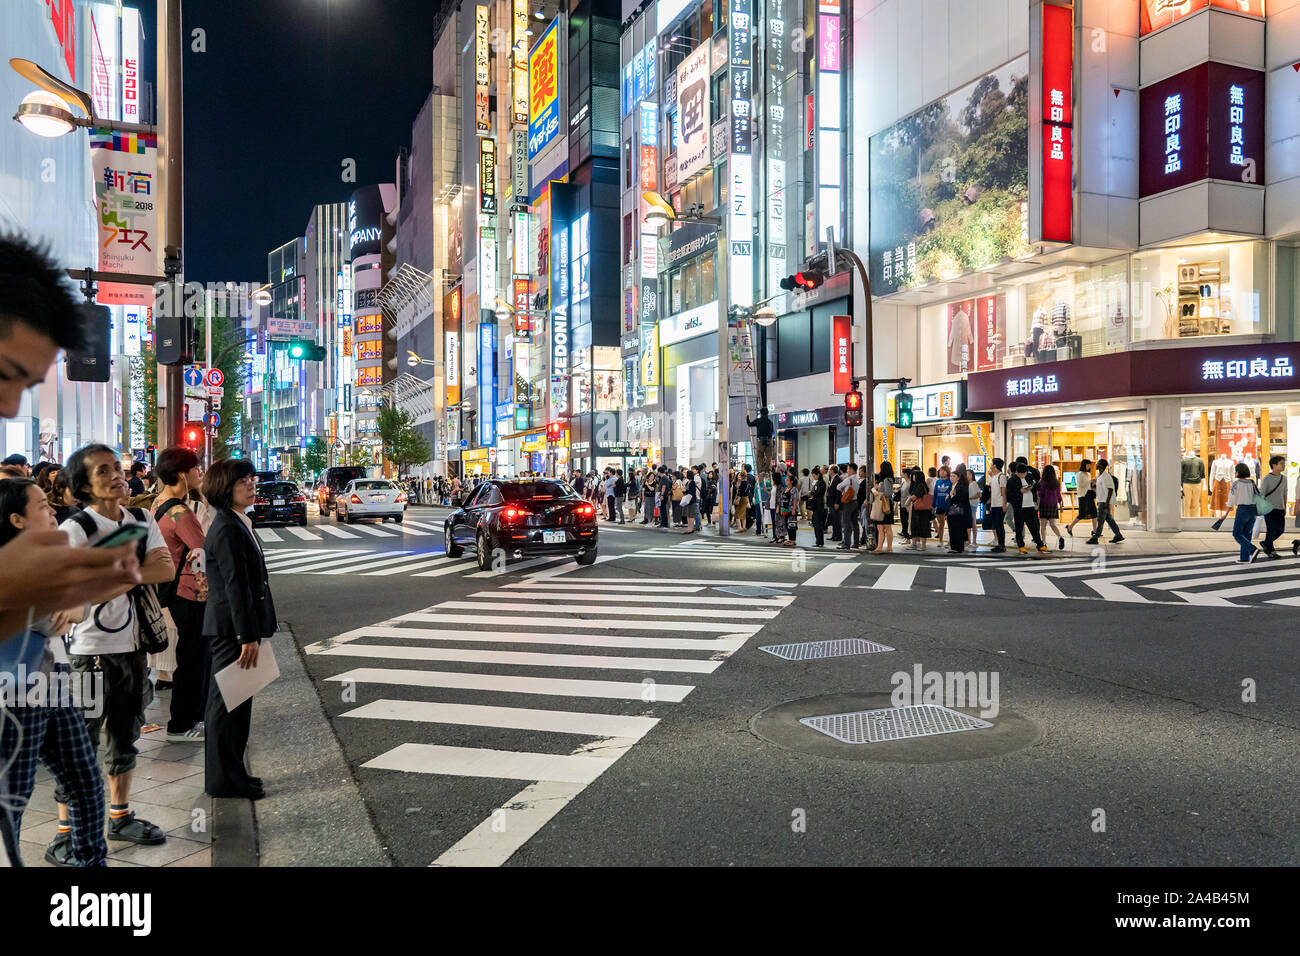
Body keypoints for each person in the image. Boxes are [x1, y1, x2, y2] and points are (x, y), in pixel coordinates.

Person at [58, 443, 176, 847]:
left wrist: (112, 579)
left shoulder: (141, 517)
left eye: (116, 468)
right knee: (80, 741)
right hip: (88, 654)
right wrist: (129, 576)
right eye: (103, 471)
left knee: (125, 734)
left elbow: (166, 567)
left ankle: (119, 816)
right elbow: (75, 593)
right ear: (84, 485)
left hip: (132, 646)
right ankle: (66, 833)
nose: (116, 475)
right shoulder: (76, 529)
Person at [0, 478, 108, 867]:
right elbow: (51, 619)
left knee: (85, 783)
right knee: (13, 798)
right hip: (16, 696)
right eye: (42, 506)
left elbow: (75, 605)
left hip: (53, 686)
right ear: (16, 519)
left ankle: (91, 864)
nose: (52, 512)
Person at [201, 458, 278, 799]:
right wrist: (246, 636)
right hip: (230, 629)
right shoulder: (228, 527)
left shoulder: (236, 521)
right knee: (226, 706)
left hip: (233, 627)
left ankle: (235, 774)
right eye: (242, 481)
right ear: (224, 488)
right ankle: (222, 780)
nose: (251, 484)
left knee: (238, 702)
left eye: (251, 478)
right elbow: (236, 586)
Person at [152, 446, 211, 742]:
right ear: (181, 474)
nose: (199, 472)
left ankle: (191, 716)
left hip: (173, 591)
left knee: (188, 657)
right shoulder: (181, 512)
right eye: (195, 469)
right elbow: (202, 552)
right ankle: (181, 723)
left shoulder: (158, 504)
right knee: (192, 660)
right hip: (191, 593)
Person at [1008, 462, 1047, 554]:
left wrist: (1031, 487)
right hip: (1019, 507)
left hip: (1030, 506)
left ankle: (1040, 545)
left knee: (1034, 527)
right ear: (1017, 472)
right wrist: (1020, 491)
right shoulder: (1011, 480)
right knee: (1019, 527)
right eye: (1021, 474)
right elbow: (1010, 495)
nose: (1023, 475)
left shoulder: (1029, 477)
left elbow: (1037, 486)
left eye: (1025, 473)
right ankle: (1021, 545)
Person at [1086, 459, 1125, 545]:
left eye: (1098, 463)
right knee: (1110, 520)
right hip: (1102, 501)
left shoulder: (1106, 477)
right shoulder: (1100, 476)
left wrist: (1107, 502)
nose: (1096, 464)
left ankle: (1095, 538)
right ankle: (1118, 535)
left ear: (1102, 466)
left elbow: (1110, 489)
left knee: (1100, 520)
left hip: (1104, 502)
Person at [1226, 462, 1259, 564]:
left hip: (1243, 510)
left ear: (1237, 472)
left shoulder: (1236, 483)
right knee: (1247, 534)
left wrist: (1225, 513)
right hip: (1253, 510)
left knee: (1237, 533)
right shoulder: (1252, 482)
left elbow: (1231, 500)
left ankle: (1253, 549)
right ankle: (1245, 558)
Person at [1258, 455, 1286, 558]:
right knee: (1271, 529)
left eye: (1284, 463)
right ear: (1274, 465)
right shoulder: (1267, 478)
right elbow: (1261, 494)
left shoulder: (1284, 478)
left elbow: (1284, 493)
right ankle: (1270, 550)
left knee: (1280, 530)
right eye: (1281, 463)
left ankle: (1266, 543)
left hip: (1280, 508)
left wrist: (1284, 506)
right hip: (1269, 508)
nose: (1284, 465)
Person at [983, 458, 1008, 553]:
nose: (991, 465)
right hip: (993, 504)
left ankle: (1002, 545)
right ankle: (999, 544)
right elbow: (991, 489)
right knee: (996, 525)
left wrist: (1004, 504)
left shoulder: (1001, 476)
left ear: (996, 465)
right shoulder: (993, 476)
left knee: (999, 525)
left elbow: (1003, 491)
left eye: (992, 463)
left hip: (999, 504)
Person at [868, 462, 894, 553]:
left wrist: (876, 491)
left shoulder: (887, 480)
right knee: (880, 527)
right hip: (882, 504)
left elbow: (888, 493)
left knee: (887, 527)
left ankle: (888, 547)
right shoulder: (887, 479)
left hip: (884, 505)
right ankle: (880, 547)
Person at [1038, 465, 1066, 550]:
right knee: (1053, 524)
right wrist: (1061, 507)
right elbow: (1058, 495)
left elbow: (1040, 494)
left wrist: (1038, 505)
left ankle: (1044, 543)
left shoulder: (1042, 482)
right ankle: (1060, 537)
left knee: (1043, 526)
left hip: (1044, 504)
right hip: (1053, 505)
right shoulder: (1056, 482)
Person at [947, 463, 972, 554]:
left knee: (958, 529)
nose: (951, 478)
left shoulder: (960, 487)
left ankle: (958, 547)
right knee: (952, 528)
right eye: (951, 476)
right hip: (952, 511)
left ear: (958, 478)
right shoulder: (953, 486)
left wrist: (952, 496)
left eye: (954, 476)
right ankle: (954, 547)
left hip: (958, 511)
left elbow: (960, 498)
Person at [1067, 459, 1095, 539]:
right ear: (1084, 465)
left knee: (1094, 514)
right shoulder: (1080, 474)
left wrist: (1093, 483)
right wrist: (1090, 481)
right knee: (1082, 514)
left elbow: (1088, 486)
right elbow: (1081, 485)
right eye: (1088, 464)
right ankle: (1070, 527)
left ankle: (1095, 531)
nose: (1089, 466)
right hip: (1082, 496)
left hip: (1089, 495)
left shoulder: (1089, 474)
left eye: (1090, 464)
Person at [931, 466, 952, 547]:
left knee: (950, 524)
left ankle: (950, 541)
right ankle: (940, 540)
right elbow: (935, 494)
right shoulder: (938, 481)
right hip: (939, 505)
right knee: (941, 524)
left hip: (948, 505)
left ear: (947, 472)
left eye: (944, 471)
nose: (942, 472)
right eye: (940, 471)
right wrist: (933, 506)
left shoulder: (950, 481)